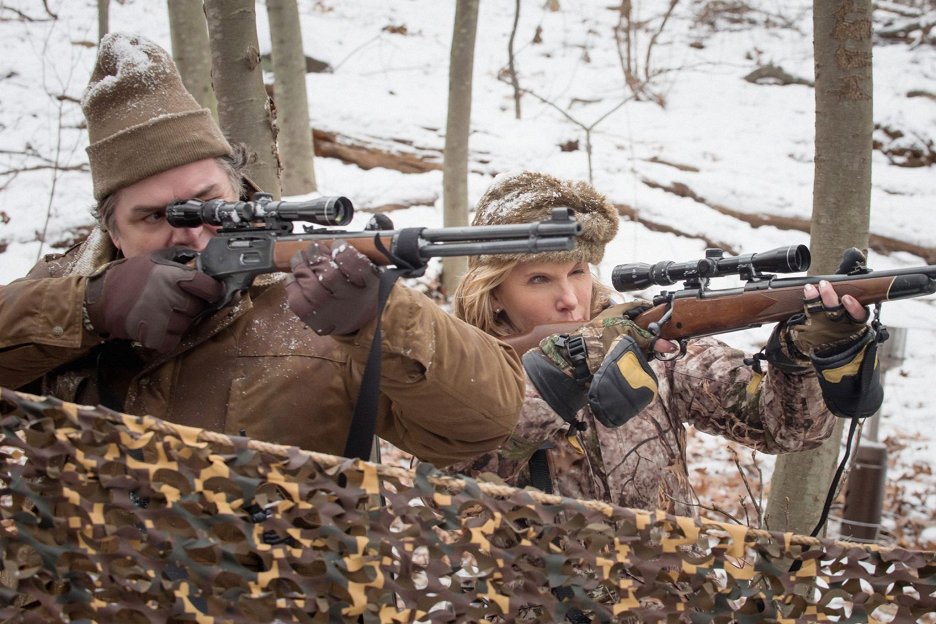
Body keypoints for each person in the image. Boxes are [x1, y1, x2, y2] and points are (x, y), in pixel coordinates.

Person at [0, 33, 525, 468]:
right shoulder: (63, 288)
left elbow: (484, 425)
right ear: (112, 230)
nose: (192, 234)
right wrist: (88, 309)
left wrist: (380, 318)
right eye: (156, 217)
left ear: (238, 193)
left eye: (207, 204)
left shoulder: (313, 294)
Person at [447, 171, 881, 517]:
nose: (569, 298)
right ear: (495, 293)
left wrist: (800, 355)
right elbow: (452, 497)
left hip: (668, 599)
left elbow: (785, 429)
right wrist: (569, 368)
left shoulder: (644, 339)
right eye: (539, 279)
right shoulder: (465, 369)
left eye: (577, 272)